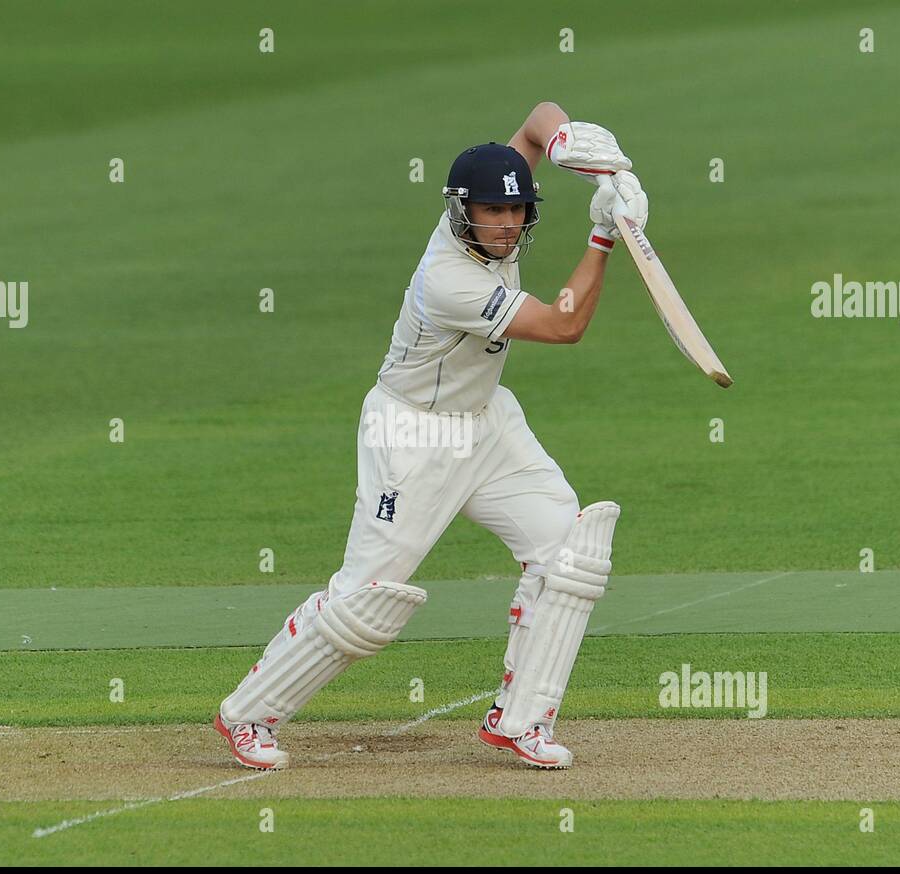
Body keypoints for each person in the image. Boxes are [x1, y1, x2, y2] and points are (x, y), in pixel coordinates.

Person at [215, 102, 647, 770]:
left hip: (487, 422)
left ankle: (522, 722)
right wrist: (604, 235)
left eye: (517, 211)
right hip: (411, 434)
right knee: (367, 601)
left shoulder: (495, 212)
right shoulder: (446, 279)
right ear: (461, 212)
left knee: (569, 554)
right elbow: (565, 326)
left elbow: (536, 120)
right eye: (490, 212)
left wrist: (568, 147)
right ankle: (248, 713)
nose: (505, 225)